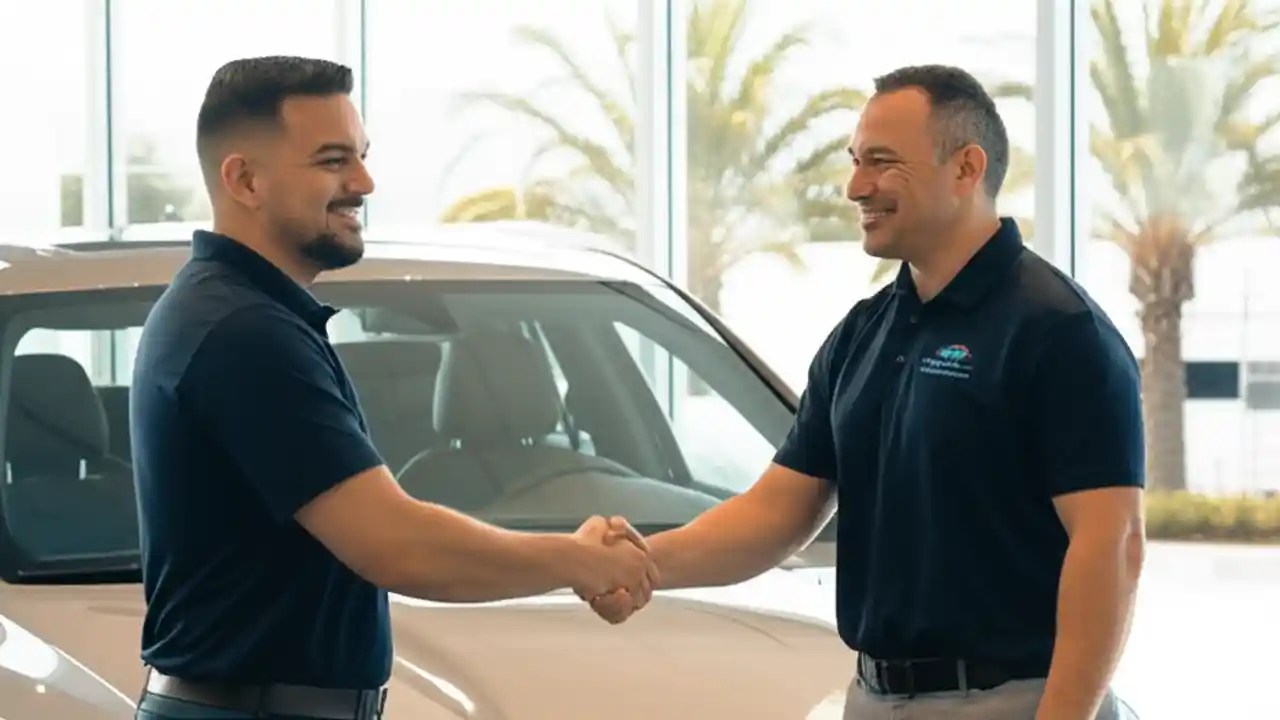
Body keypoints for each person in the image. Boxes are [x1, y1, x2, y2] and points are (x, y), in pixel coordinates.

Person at [589, 64, 1146, 719]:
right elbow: (775, 515)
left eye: (882, 162)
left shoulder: (1059, 332)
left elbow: (1112, 544)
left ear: (966, 168)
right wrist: (638, 564)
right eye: (856, 161)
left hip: (1014, 700)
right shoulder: (864, 332)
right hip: (873, 697)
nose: (856, 186)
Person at [128, 56, 656, 720]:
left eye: (362, 156)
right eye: (331, 161)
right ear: (245, 179)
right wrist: (577, 562)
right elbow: (398, 545)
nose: (364, 182)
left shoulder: (236, 312)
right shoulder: (243, 332)